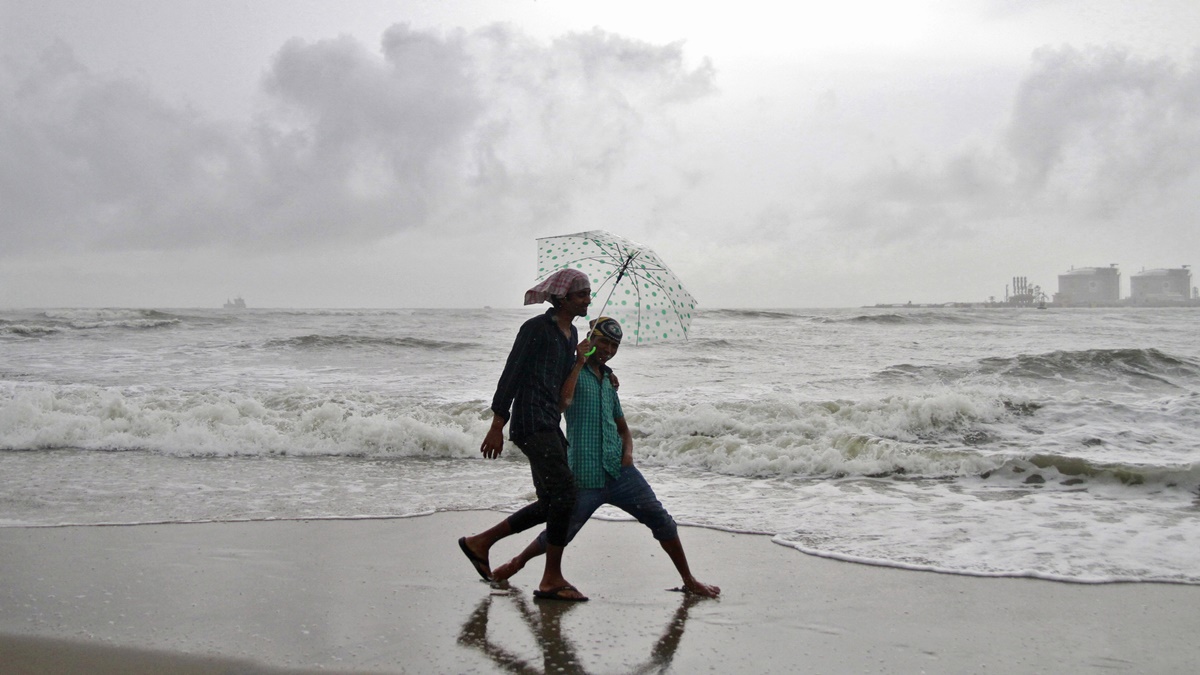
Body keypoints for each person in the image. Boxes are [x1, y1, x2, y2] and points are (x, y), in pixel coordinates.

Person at [490, 317, 720, 598]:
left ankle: (689, 579)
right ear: (591, 339)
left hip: (620, 473)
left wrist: (628, 454)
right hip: (584, 475)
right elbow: (561, 404)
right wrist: (578, 362)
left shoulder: (609, 381)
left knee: (661, 520)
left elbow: (623, 428)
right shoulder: (570, 371)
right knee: (561, 532)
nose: (608, 350)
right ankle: (517, 563)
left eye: (614, 346)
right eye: (603, 343)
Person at [458, 267, 592, 601]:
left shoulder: (572, 335)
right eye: (581, 294)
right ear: (562, 298)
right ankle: (551, 579)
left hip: (549, 421)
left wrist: (584, 362)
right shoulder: (535, 328)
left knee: (550, 503)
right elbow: (511, 375)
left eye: (589, 294)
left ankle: (480, 543)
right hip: (530, 421)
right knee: (565, 494)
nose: (588, 300)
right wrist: (496, 426)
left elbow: (563, 388)